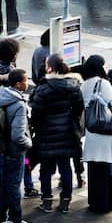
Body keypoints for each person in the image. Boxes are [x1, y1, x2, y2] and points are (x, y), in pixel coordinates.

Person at [30, 53, 84, 214]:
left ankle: (47, 201)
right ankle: (65, 201)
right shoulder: (73, 85)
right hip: (67, 132)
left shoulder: (43, 88)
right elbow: (79, 108)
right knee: (65, 167)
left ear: (50, 68)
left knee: (46, 168)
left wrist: (37, 128)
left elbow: (36, 114)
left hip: (46, 134)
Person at [0, 68, 35, 223]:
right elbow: (17, 135)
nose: (27, 83)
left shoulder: (1, 95)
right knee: (14, 185)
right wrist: (29, 143)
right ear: (18, 84)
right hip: (15, 150)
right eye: (25, 80)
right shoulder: (19, 105)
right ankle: (16, 220)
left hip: (1, 147)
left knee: (5, 183)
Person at [80, 55, 112, 213]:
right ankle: (108, 203)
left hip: (92, 133)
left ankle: (95, 203)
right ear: (99, 67)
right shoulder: (104, 83)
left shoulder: (84, 85)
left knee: (94, 170)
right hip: (107, 135)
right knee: (108, 169)